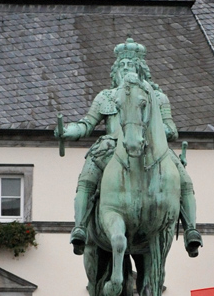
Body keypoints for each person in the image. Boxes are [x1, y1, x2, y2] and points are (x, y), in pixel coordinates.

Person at [58, 37, 202, 257]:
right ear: (116, 71)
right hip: (111, 146)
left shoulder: (157, 98)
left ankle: (191, 230)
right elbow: (86, 125)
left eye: (131, 65)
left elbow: (171, 129)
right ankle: (80, 227)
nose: (126, 69)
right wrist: (68, 131)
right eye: (122, 66)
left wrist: (153, 131)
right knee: (86, 179)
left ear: (140, 69)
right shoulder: (105, 97)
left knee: (184, 180)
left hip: (152, 148)